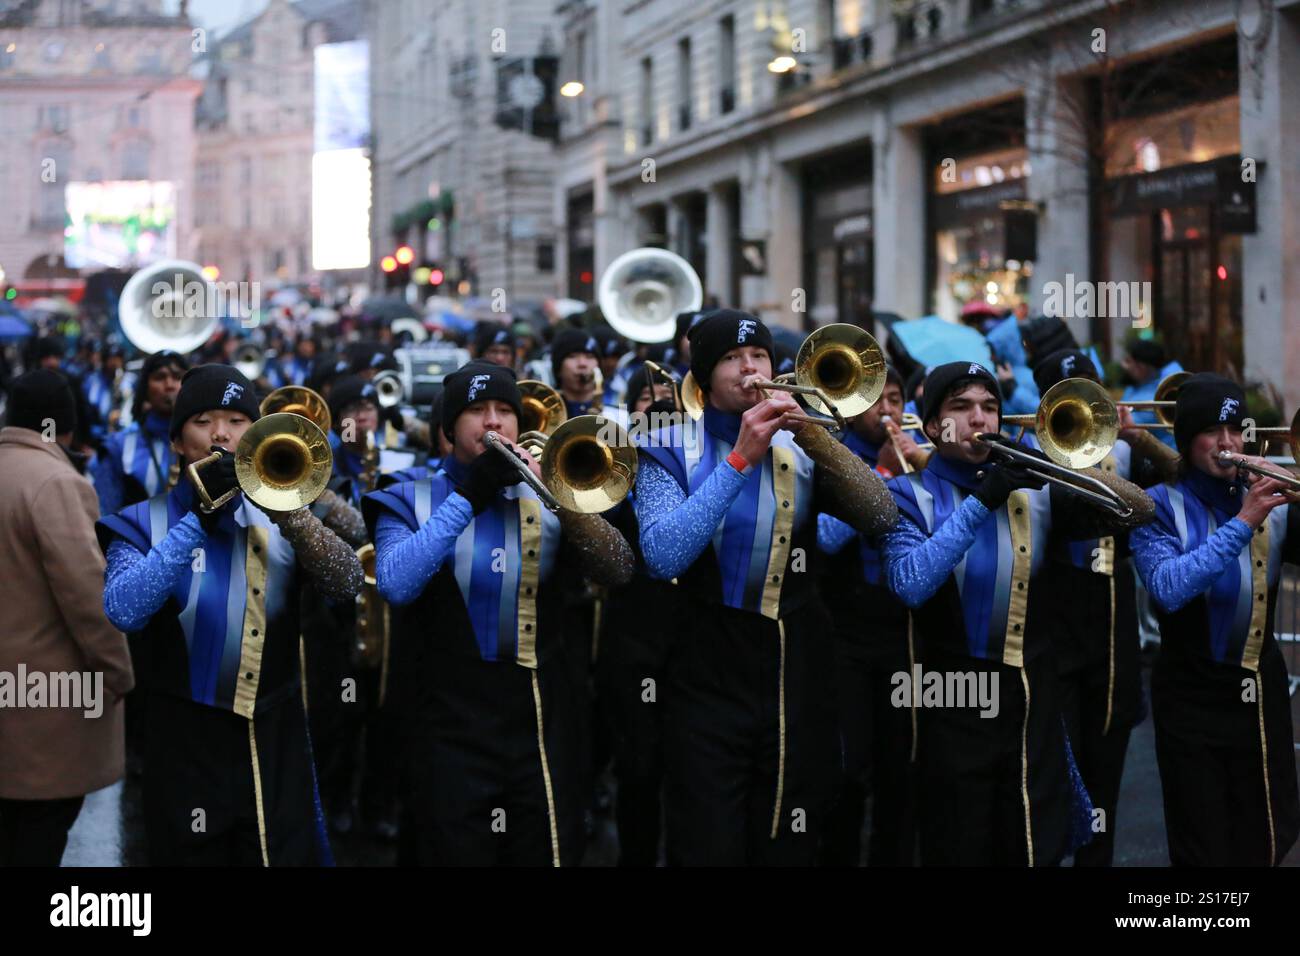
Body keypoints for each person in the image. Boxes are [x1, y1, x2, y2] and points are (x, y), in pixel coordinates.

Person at [634, 310, 898, 865]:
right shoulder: (665, 447)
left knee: (788, 832)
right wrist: (739, 458)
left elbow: (881, 515)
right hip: (704, 658)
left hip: (795, 658)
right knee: (709, 835)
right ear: (703, 380)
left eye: (758, 356)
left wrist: (815, 439)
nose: (749, 368)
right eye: (731, 358)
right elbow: (662, 556)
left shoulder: (803, 444)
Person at [879, 361, 1154, 866]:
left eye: (989, 407)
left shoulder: (1034, 492)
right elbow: (911, 584)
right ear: (931, 424)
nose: (979, 420)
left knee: (1032, 846)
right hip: (948, 697)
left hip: (1030, 699)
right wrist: (982, 501)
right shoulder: (906, 495)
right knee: (961, 844)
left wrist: (1058, 463)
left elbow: (1136, 510)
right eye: (960, 408)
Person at [362, 361, 634, 865]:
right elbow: (397, 583)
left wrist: (560, 496)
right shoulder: (406, 494)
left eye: (505, 411)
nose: (493, 423)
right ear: (448, 428)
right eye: (476, 411)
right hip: (447, 718)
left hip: (541, 716)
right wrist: (471, 493)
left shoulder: (548, 492)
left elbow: (617, 567)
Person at [96, 365, 364, 865]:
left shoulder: (280, 516)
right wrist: (198, 517)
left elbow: (348, 583)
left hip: (273, 736)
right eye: (203, 420)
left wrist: (292, 512)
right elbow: (125, 609)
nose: (221, 434)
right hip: (184, 741)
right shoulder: (139, 522)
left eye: (238, 420)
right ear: (178, 441)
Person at [1130, 373, 1300, 866]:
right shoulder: (1156, 506)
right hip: (1191, 695)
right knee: (1202, 838)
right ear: (1186, 439)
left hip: (1258, 691)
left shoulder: (1268, 495)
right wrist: (1245, 521)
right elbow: (1169, 588)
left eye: (1234, 429)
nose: (1227, 443)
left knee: (1268, 829)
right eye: (1211, 431)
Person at [1026, 349, 1179, 866]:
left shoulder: (1123, 450)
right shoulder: (1029, 454)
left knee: (1105, 775)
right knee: (1053, 770)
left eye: (1087, 391)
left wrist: (1136, 435)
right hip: (1055, 613)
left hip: (1111, 623)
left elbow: (1177, 475)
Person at [0, 371, 135, 866]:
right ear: (67, 430)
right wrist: (119, 673)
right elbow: (88, 597)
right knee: (36, 841)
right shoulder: (56, 482)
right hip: (42, 713)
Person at [815, 366, 924, 866]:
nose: (887, 411)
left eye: (897, 399)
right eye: (876, 401)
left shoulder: (922, 460)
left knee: (901, 769)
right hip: (846, 633)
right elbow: (825, 539)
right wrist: (880, 475)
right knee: (848, 767)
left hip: (904, 632)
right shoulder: (834, 460)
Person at [594, 365, 680, 865]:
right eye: (648, 402)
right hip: (633, 640)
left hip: (690, 639)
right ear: (629, 413)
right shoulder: (612, 464)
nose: (658, 408)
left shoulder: (694, 458)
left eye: (669, 401)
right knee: (640, 770)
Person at [92, 350, 188, 516]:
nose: (170, 385)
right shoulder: (119, 445)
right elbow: (105, 513)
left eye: (177, 377)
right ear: (145, 388)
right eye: (160, 377)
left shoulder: (203, 442)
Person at [1120, 335, 1184, 450]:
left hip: (1163, 456)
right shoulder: (1140, 384)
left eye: (1129, 362)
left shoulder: (1153, 396)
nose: (1124, 366)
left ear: (1141, 367)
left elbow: (1123, 425)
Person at [550, 329, 602, 417]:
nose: (582, 363)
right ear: (558, 369)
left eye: (590, 357)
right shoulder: (548, 415)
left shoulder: (617, 416)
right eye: (572, 356)